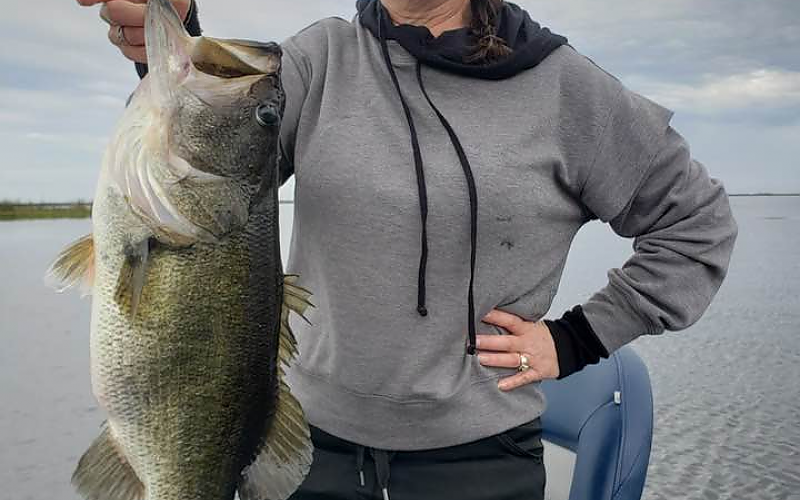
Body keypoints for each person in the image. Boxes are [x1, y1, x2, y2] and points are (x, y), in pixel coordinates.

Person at [77, 0, 739, 498]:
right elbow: (219, 147)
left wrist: (575, 340)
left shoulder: (570, 91)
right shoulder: (321, 57)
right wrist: (171, 26)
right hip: (304, 448)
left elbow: (698, 225)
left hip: (481, 461)